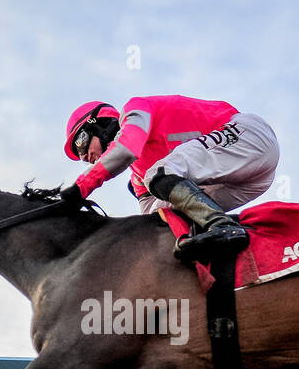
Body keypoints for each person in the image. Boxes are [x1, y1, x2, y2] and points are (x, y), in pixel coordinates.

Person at [60, 96, 280, 264]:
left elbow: (126, 149)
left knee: (158, 174)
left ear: (98, 122)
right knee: (166, 209)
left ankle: (222, 225)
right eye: (79, 156)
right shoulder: (137, 176)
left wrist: (80, 188)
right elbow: (151, 219)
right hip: (253, 180)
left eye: (81, 142)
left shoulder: (134, 109)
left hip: (249, 136)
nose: (84, 156)